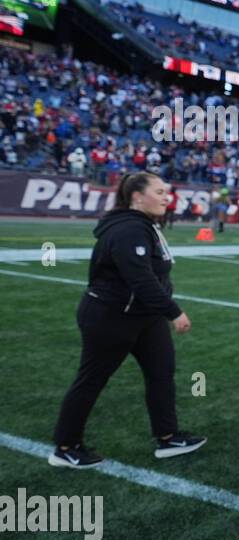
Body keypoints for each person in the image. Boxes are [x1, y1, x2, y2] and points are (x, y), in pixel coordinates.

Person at [49, 171, 206, 468]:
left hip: (144, 317)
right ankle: (65, 446)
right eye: (159, 192)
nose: (165, 197)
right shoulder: (128, 229)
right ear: (137, 196)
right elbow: (141, 279)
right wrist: (174, 311)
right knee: (92, 379)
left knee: (161, 372)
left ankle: (167, 436)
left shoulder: (145, 225)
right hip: (110, 317)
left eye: (166, 192)